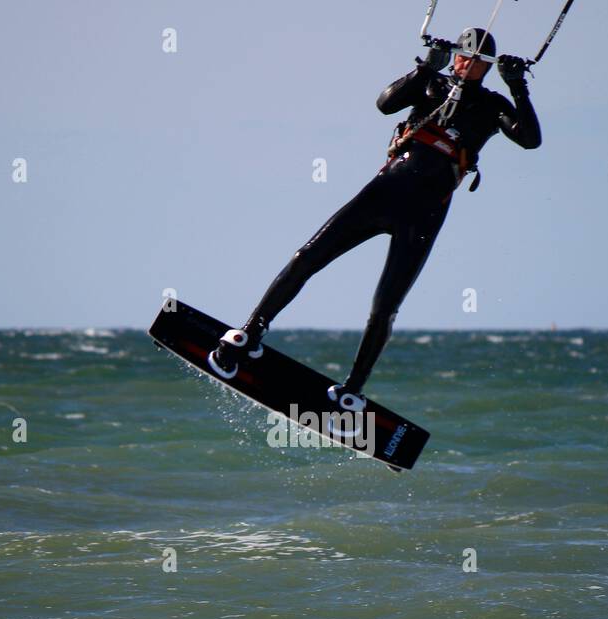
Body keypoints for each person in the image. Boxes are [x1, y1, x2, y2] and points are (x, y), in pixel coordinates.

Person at [209, 27, 541, 412]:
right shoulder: (431, 85)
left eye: (479, 61)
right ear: (455, 57)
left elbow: (529, 139)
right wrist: (423, 69)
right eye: (464, 57)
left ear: (487, 67)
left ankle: (351, 389)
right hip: (385, 192)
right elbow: (385, 104)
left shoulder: (491, 104)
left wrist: (519, 88)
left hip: (426, 212)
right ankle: (249, 334)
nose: (468, 64)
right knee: (307, 257)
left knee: (385, 305)